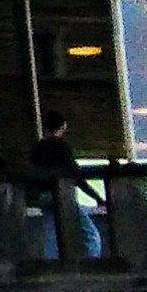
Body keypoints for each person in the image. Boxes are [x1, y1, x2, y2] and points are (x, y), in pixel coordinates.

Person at [31, 111, 99, 260]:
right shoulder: (61, 146)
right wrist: (97, 198)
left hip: (43, 195)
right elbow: (76, 175)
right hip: (61, 195)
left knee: (50, 233)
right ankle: (93, 261)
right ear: (63, 126)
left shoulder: (37, 148)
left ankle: (50, 264)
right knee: (90, 234)